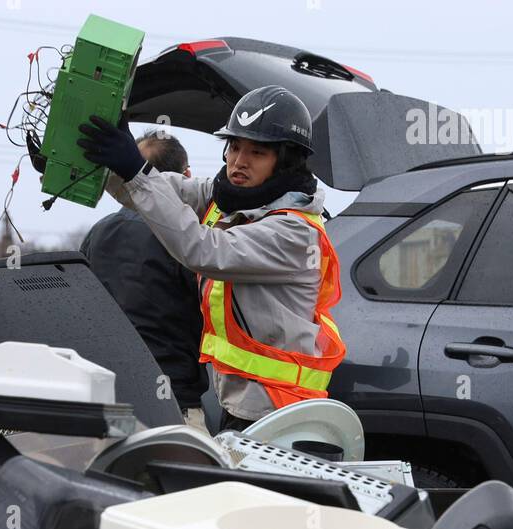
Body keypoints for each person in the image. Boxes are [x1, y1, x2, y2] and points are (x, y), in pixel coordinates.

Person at [77, 87, 345, 433]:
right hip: (243, 406)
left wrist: (136, 170)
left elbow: (202, 249)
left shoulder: (293, 232)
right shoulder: (232, 199)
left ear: (286, 161)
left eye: (256, 152)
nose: (238, 161)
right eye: (234, 147)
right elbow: (163, 189)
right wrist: (91, 166)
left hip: (280, 409)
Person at [80, 130, 210, 432]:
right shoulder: (191, 240)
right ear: (186, 176)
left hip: (110, 397)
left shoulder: (97, 234)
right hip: (175, 401)